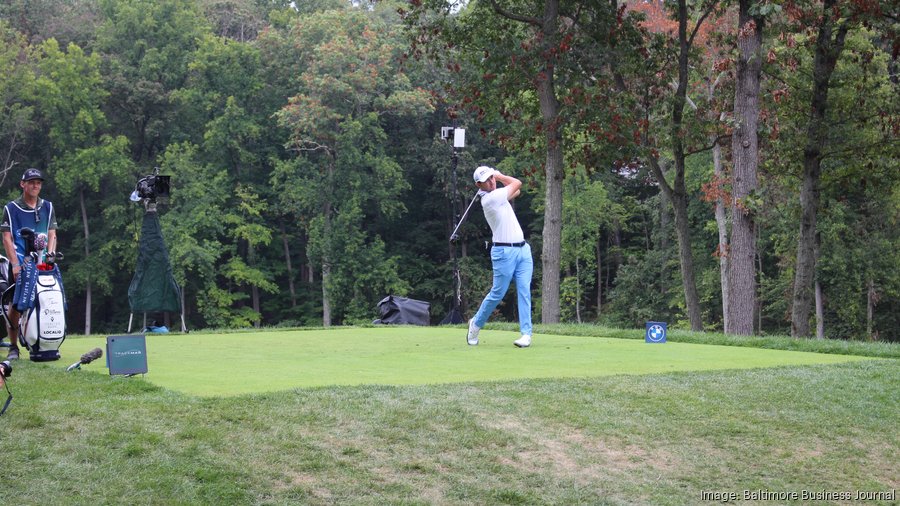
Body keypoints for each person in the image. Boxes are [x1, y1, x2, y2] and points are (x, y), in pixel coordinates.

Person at [466, 165, 534, 348]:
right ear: (479, 185)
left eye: (492, 178)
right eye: (487, 180)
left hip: (523, 250)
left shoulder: (497, 195)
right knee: (497, 293)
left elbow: (516, 191)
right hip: (503, 253)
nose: (491, 181)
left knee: (524, 291)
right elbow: (517, 183)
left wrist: (500, 182)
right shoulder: (490, 200)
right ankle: (476, 323)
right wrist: (499, 174)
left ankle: (526, 334)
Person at [1, 168, 58, 360]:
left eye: (38, 182)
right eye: (31, 182)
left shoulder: (48, 207)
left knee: (46, 300)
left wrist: (50, 257)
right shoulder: (11, 208)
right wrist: (15, 265)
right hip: (20, 263)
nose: (35, 186)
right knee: (15, 305)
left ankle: (43, 343)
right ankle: (14, 347)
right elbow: (7, 239)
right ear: (22, 184)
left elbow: (52, 234)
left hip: (42, 264)